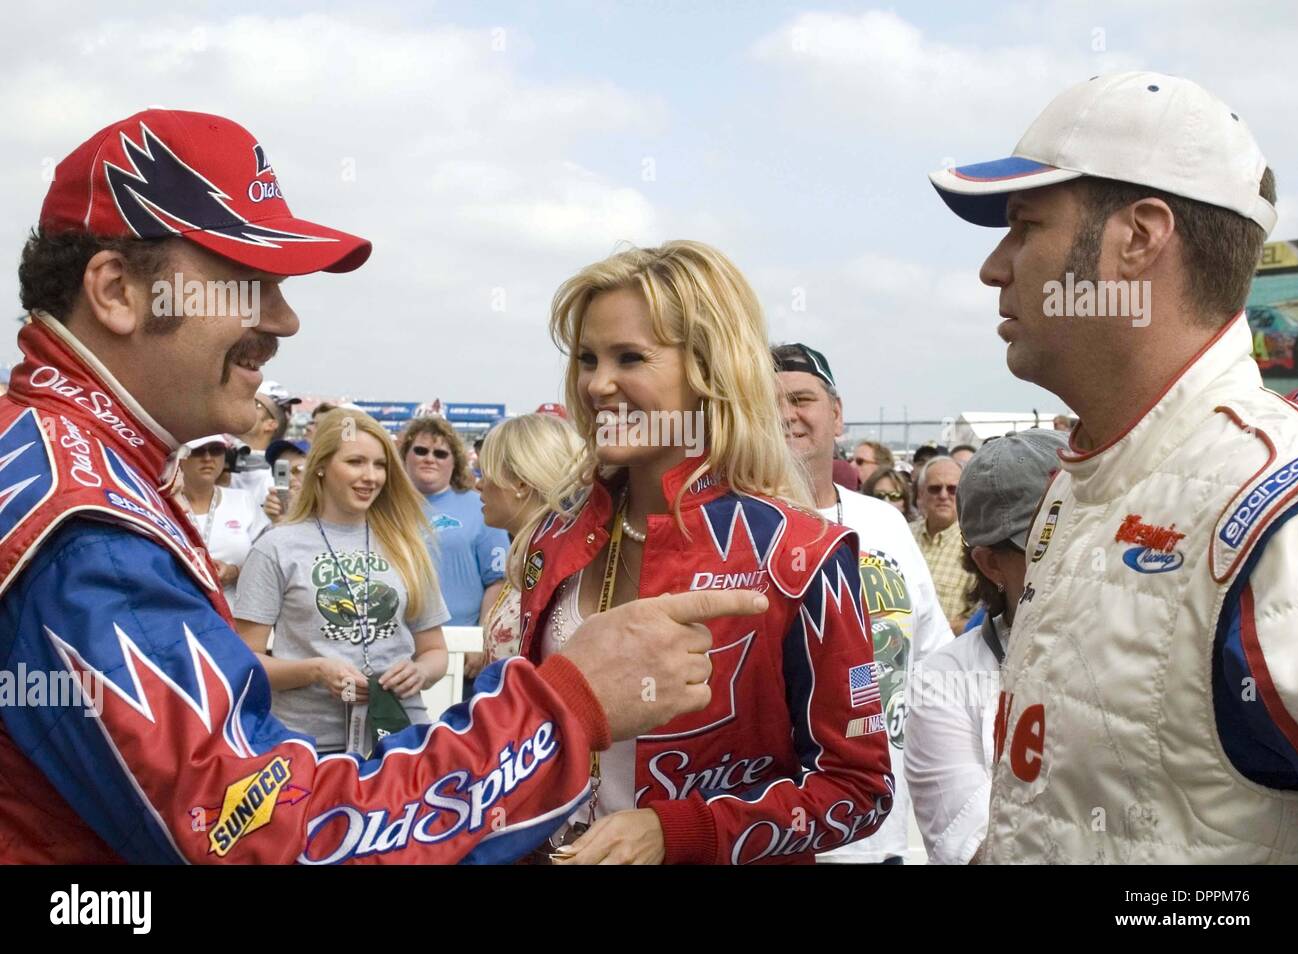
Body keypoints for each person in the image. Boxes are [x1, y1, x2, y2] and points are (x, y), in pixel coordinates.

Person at [0, 108, 753, 864]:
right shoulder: (85, 531)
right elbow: (265, 837)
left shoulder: (61, 463)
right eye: (249, 282)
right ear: (117, 292)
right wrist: (569, 706)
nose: (284, 319)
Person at [930, 71, 1298, 863]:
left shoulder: (1274, 509)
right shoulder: (1084, 477)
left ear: (1138, 237)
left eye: (1024, 227)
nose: (995, 267)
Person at [515, 241, 893, 866]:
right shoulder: (552, 537)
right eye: (586, 358)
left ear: (709, 372)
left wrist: (679, 831)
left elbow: (859, 790)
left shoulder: (802, 553)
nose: (597, 383)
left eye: (630, 357)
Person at [774, 342, 950, 865]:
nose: (786, 415)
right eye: (768, 404)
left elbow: (933, 665)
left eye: (801, 398)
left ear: (837, 414)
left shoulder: (885, 523)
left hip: (880, 835)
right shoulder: (734, 527)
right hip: (779, 836)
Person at [234, 410, 449, 754]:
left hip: (399, 738)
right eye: (355, 462)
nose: (370, 476)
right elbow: (246, 659)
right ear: (320, 465)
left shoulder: (407, 546)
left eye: (380, 465)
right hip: (309, 745)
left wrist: (419, 673)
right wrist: (317, 671)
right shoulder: (276, 546)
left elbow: (435, 650)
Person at [905, 430, 1066, 864]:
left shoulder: (1143, 642)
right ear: (991, 562)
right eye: (1046, 545)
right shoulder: (946, 680)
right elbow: (982, 851)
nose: (1076, 556)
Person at [399, 416, 510, 678]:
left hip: (459, 649)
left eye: (440, 453)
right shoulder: (384, 506)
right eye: (421, 450)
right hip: (399, 647)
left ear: (455, 461)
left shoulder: (480, 506)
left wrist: (480, 638)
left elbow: (497, 582)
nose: (430, 458)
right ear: (404, 455)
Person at [476, 413, 585, 663]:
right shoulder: (530, 558)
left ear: (521, 484)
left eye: (486, 473)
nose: (478, 485)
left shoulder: (561, 569)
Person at [180, 434, 270, 604]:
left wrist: (235, 572)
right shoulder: (162, 504)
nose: (207, 458)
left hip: (237, 619)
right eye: (198, 451)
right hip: (182, 615)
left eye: (216, 450)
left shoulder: (244, 500)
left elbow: (268, 563)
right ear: (180, 456)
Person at [910, 456, 976, 632]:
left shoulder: (975, 545)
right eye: (934, 488)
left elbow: (979, 620)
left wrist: (939, 630)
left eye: (953, 489)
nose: (943, 495)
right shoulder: (902, 534)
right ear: (921, 494)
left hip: (948, 651)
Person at [232, 381, 299, 504]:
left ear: (271, 424)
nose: (245, 410)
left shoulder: (283, 477)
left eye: (256, 405)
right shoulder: (215, 455)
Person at [260, 437, 309, 524]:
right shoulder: (270, 511)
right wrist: (278, 520)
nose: (290, 478)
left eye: (297, 470)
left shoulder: (333, 510)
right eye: (281, 472)